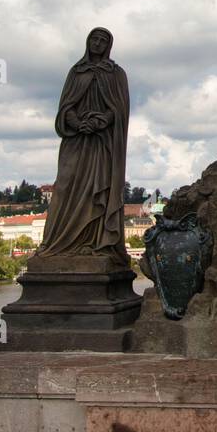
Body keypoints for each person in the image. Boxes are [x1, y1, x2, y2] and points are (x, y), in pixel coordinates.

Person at [38, 27, 130, 262]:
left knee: (99, 188)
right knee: (65, 187)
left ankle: (96, 243)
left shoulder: (116, 73)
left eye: (103, 40)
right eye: (94, 39)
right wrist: (78, 123)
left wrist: (99, 122)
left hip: (102, 143)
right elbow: (65, 106)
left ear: (108, 46)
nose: (98, 43)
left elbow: (120, 110)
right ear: (88, 42)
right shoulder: (76, 72)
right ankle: (55, 244)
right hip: (76, 140)